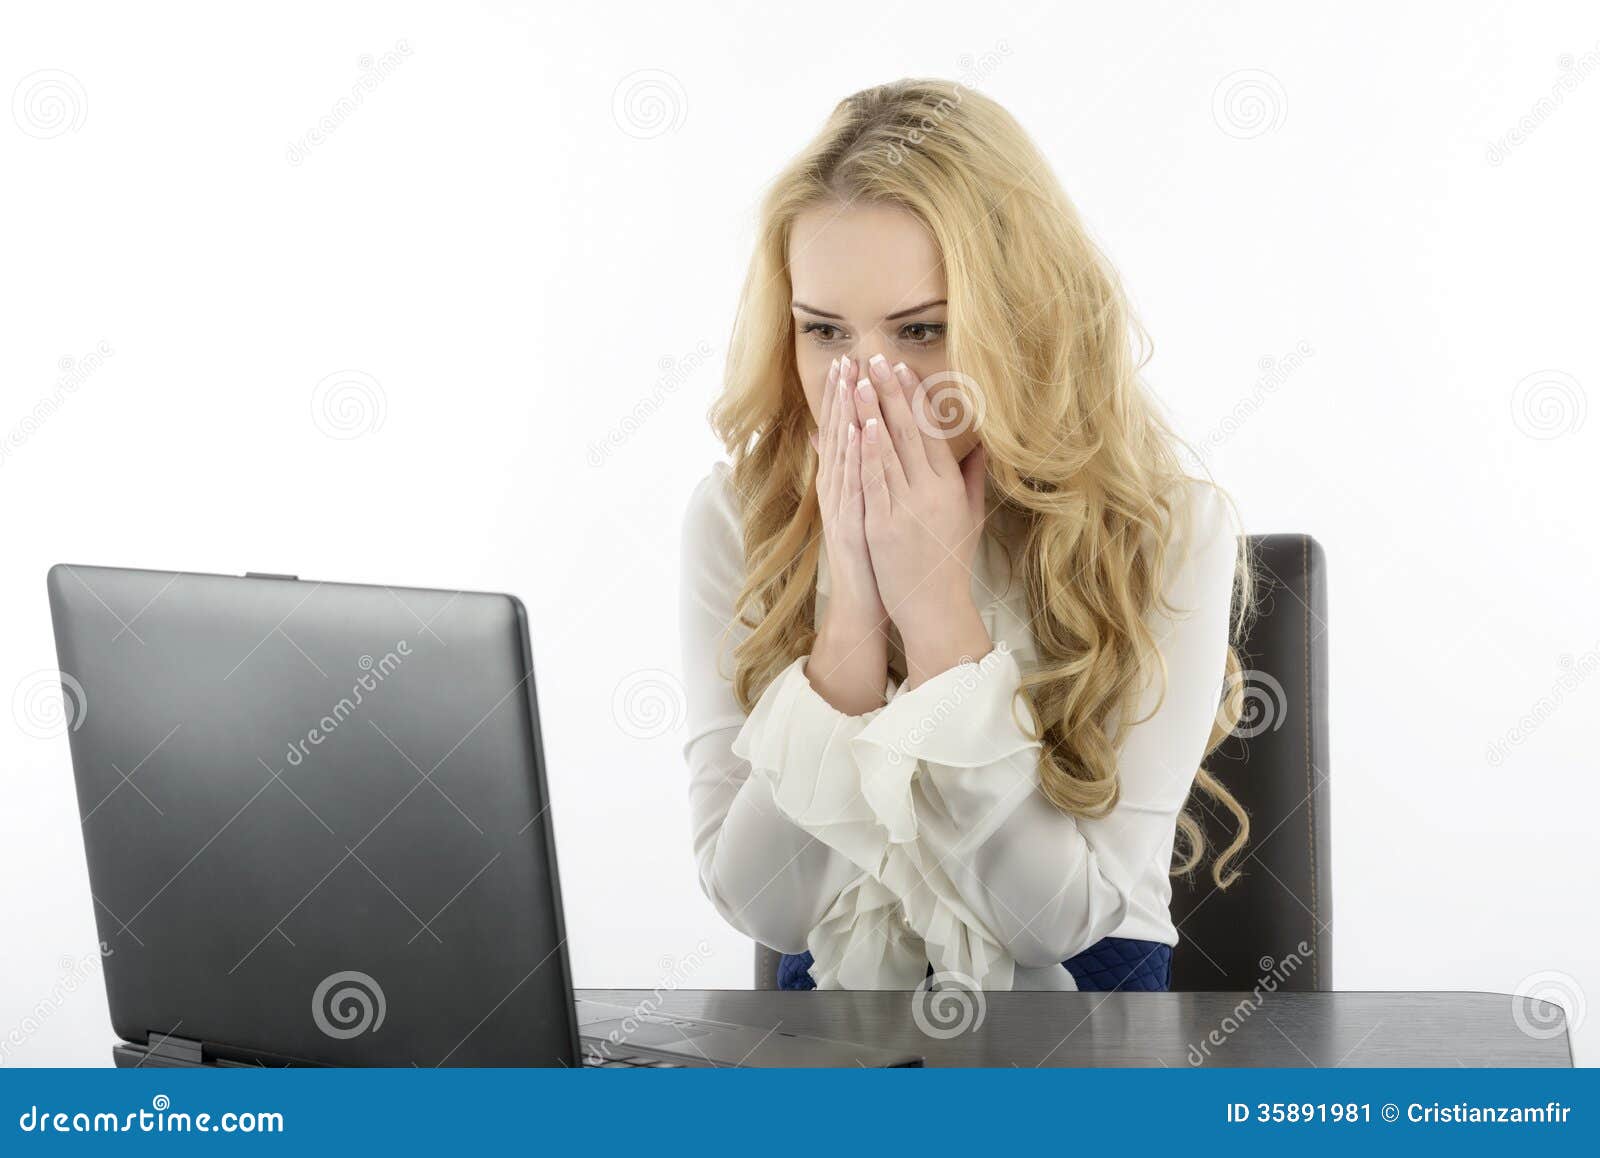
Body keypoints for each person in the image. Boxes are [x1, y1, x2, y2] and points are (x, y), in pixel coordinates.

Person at [679, 79, 1251, 992]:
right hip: (833, 1013)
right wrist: (852, 621)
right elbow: (765, 909)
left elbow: (1051, 926)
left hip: (1085, 1006)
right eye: (825, 332)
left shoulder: (1171, 530)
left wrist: (936, 611)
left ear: (1025, 322)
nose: (868, 385)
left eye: (921, 330)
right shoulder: (735, 517)